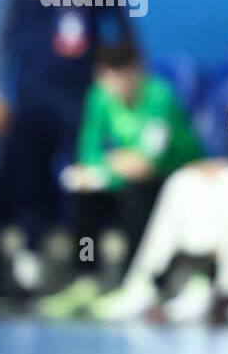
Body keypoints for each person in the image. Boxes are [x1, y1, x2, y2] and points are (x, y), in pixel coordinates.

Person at [91, 19, 228, 323]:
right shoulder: (227, 92)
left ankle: (214, 286)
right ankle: (145, 283)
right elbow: (216, 144)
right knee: (182, 182)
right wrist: (212, 163)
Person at [0, 0, 133, 294]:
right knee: (31, 175)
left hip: (79, 93)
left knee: (80, 177)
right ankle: (30, 250)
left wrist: (119, 79)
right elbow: (3, 38)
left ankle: (83, 266)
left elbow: (122, 34)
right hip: (33, 90)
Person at [39, 41, 204, 318]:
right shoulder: (98, 96)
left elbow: (147, 164)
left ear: (137, 71)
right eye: (108, 77)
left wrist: (111, 166)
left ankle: (135, 283)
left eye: (122, 76)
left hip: (174, 179)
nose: (116, 85)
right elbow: (89, 154)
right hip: (123, 178)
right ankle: (86, 278)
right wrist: (112, 166)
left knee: (134, 193)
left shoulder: (159, 96)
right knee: (85, 193)